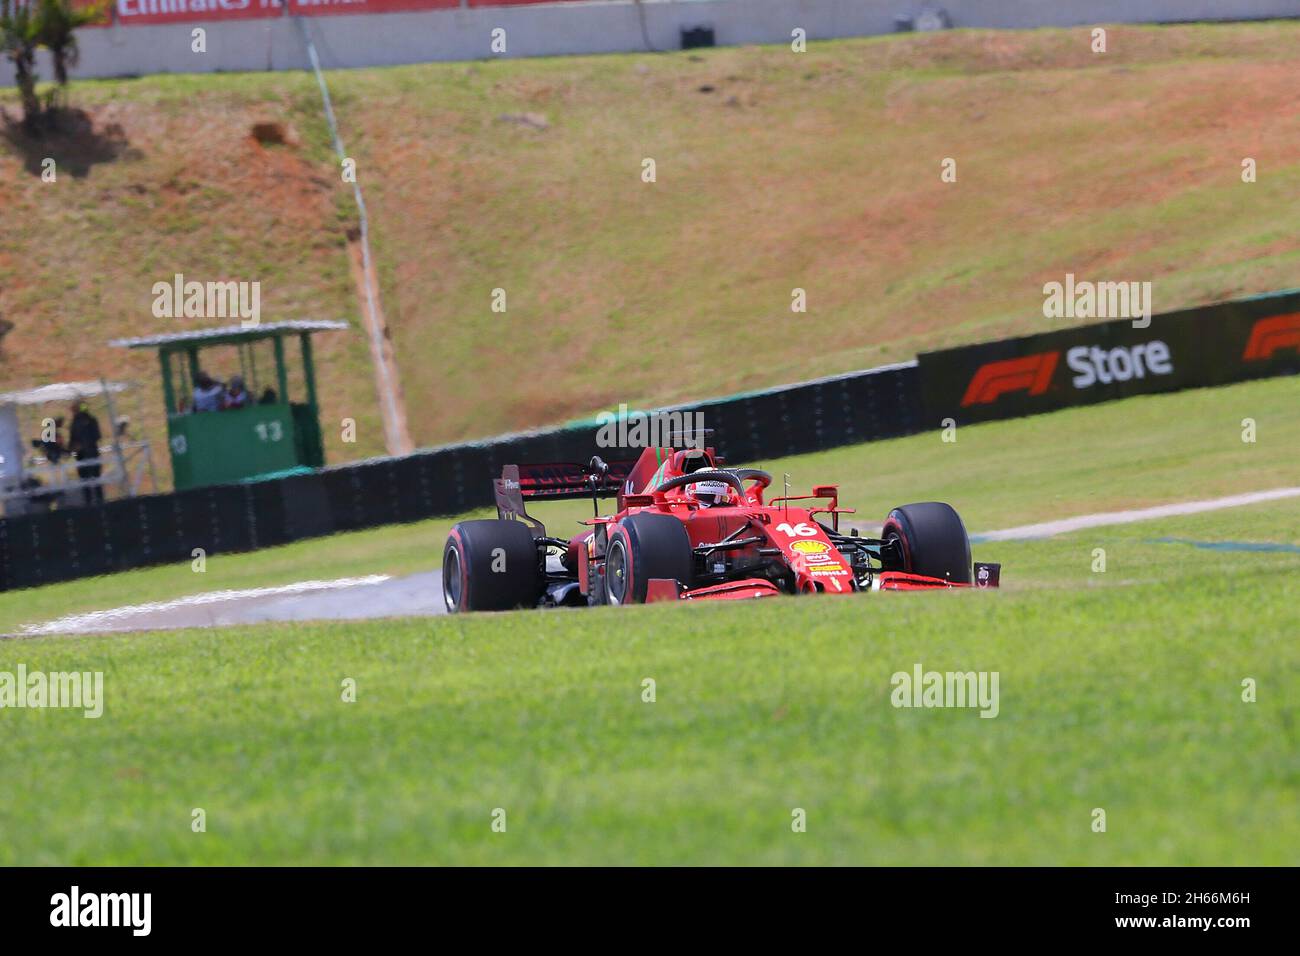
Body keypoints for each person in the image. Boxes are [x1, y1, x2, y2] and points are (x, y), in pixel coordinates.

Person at [67, 400, 104, 507]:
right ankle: (89, 505)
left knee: (96, 482)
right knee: (85, 483)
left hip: (91, 454)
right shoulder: (75, 422)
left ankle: (99, 504)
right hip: (82, 457)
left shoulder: (90, 420)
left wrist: (80, 446)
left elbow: (96, 436)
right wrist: (72, 448)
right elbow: (72, 441)